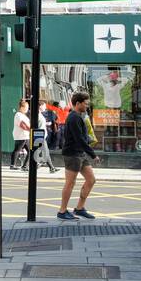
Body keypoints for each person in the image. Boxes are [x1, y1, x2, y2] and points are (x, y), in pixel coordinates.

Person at [58, 91, 99, 220]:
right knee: (70, 183)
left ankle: (79, 208)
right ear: (78, 103)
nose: (87, 106)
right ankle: (62, 211)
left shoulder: (79, 116)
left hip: (80, 154)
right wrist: (93, 155)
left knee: (91, 179)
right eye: (85, 104)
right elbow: (79, 139)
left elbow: (83, 139)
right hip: (72, 154)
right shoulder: (74, 118)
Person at [11, 100, 31, 170]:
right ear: (21, 107)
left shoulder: (23, 115)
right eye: (26, 107)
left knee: (30, 151)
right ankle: (13, 165)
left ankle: (24, 166)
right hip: (21, 136)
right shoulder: (18, 115)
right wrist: (30, 130)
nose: (27, 109)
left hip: (25, 135)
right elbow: (22, 125)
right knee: (17, 150)